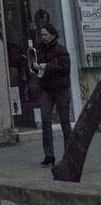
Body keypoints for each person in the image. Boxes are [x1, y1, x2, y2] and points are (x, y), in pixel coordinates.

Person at [34, 22, 72, 166]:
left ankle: (69, 152)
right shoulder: (40, 50)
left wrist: (47, 67)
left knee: (65, 121)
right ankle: (49, 155)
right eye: (41, 34)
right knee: (45, 120)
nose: (43, 37)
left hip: (61, 89)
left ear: (53, 35)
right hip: (46, 89)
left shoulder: (60, 50)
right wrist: (35, 66)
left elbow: (65, 69)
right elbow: (36, 66)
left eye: (45, 34)